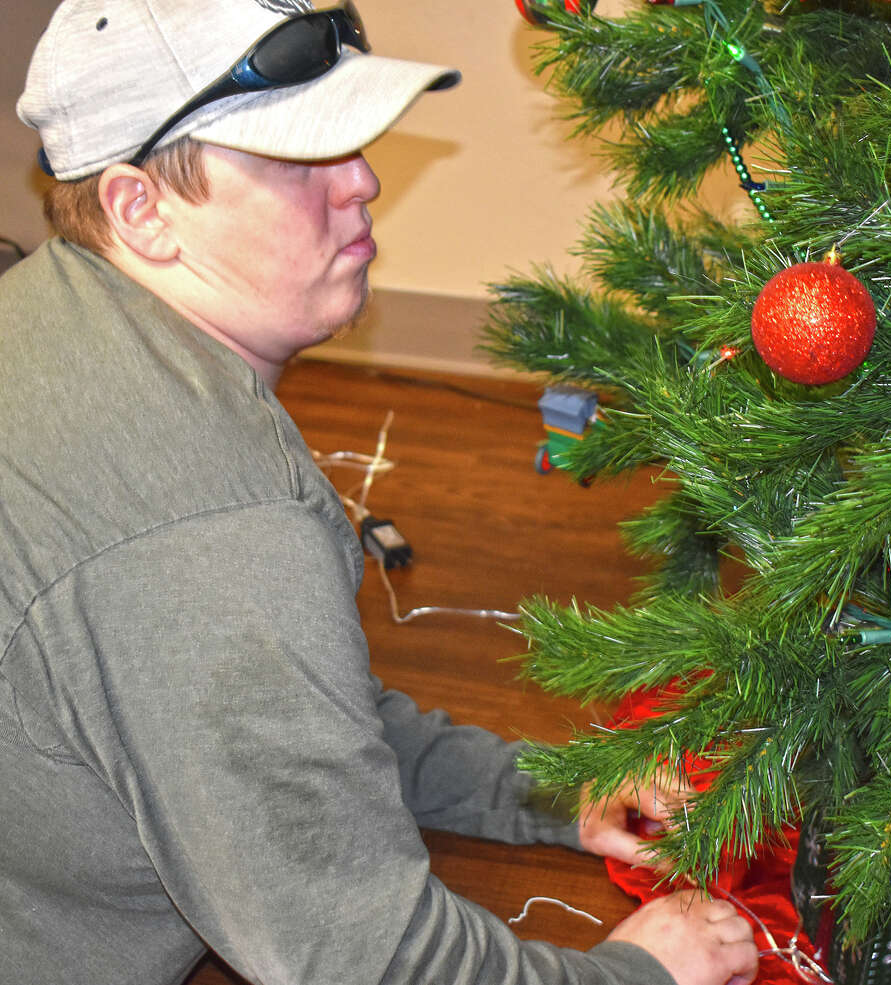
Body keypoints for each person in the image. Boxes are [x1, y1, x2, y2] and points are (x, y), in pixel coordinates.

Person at [0, 1, 761, 984]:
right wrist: (642, 973)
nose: (362, 179)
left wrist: (542, 793)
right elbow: (362, 958)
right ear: (141, 210)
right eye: (297, 157)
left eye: (350, 143)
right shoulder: (210, 533)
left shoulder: (54, 317)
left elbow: (286, 720)